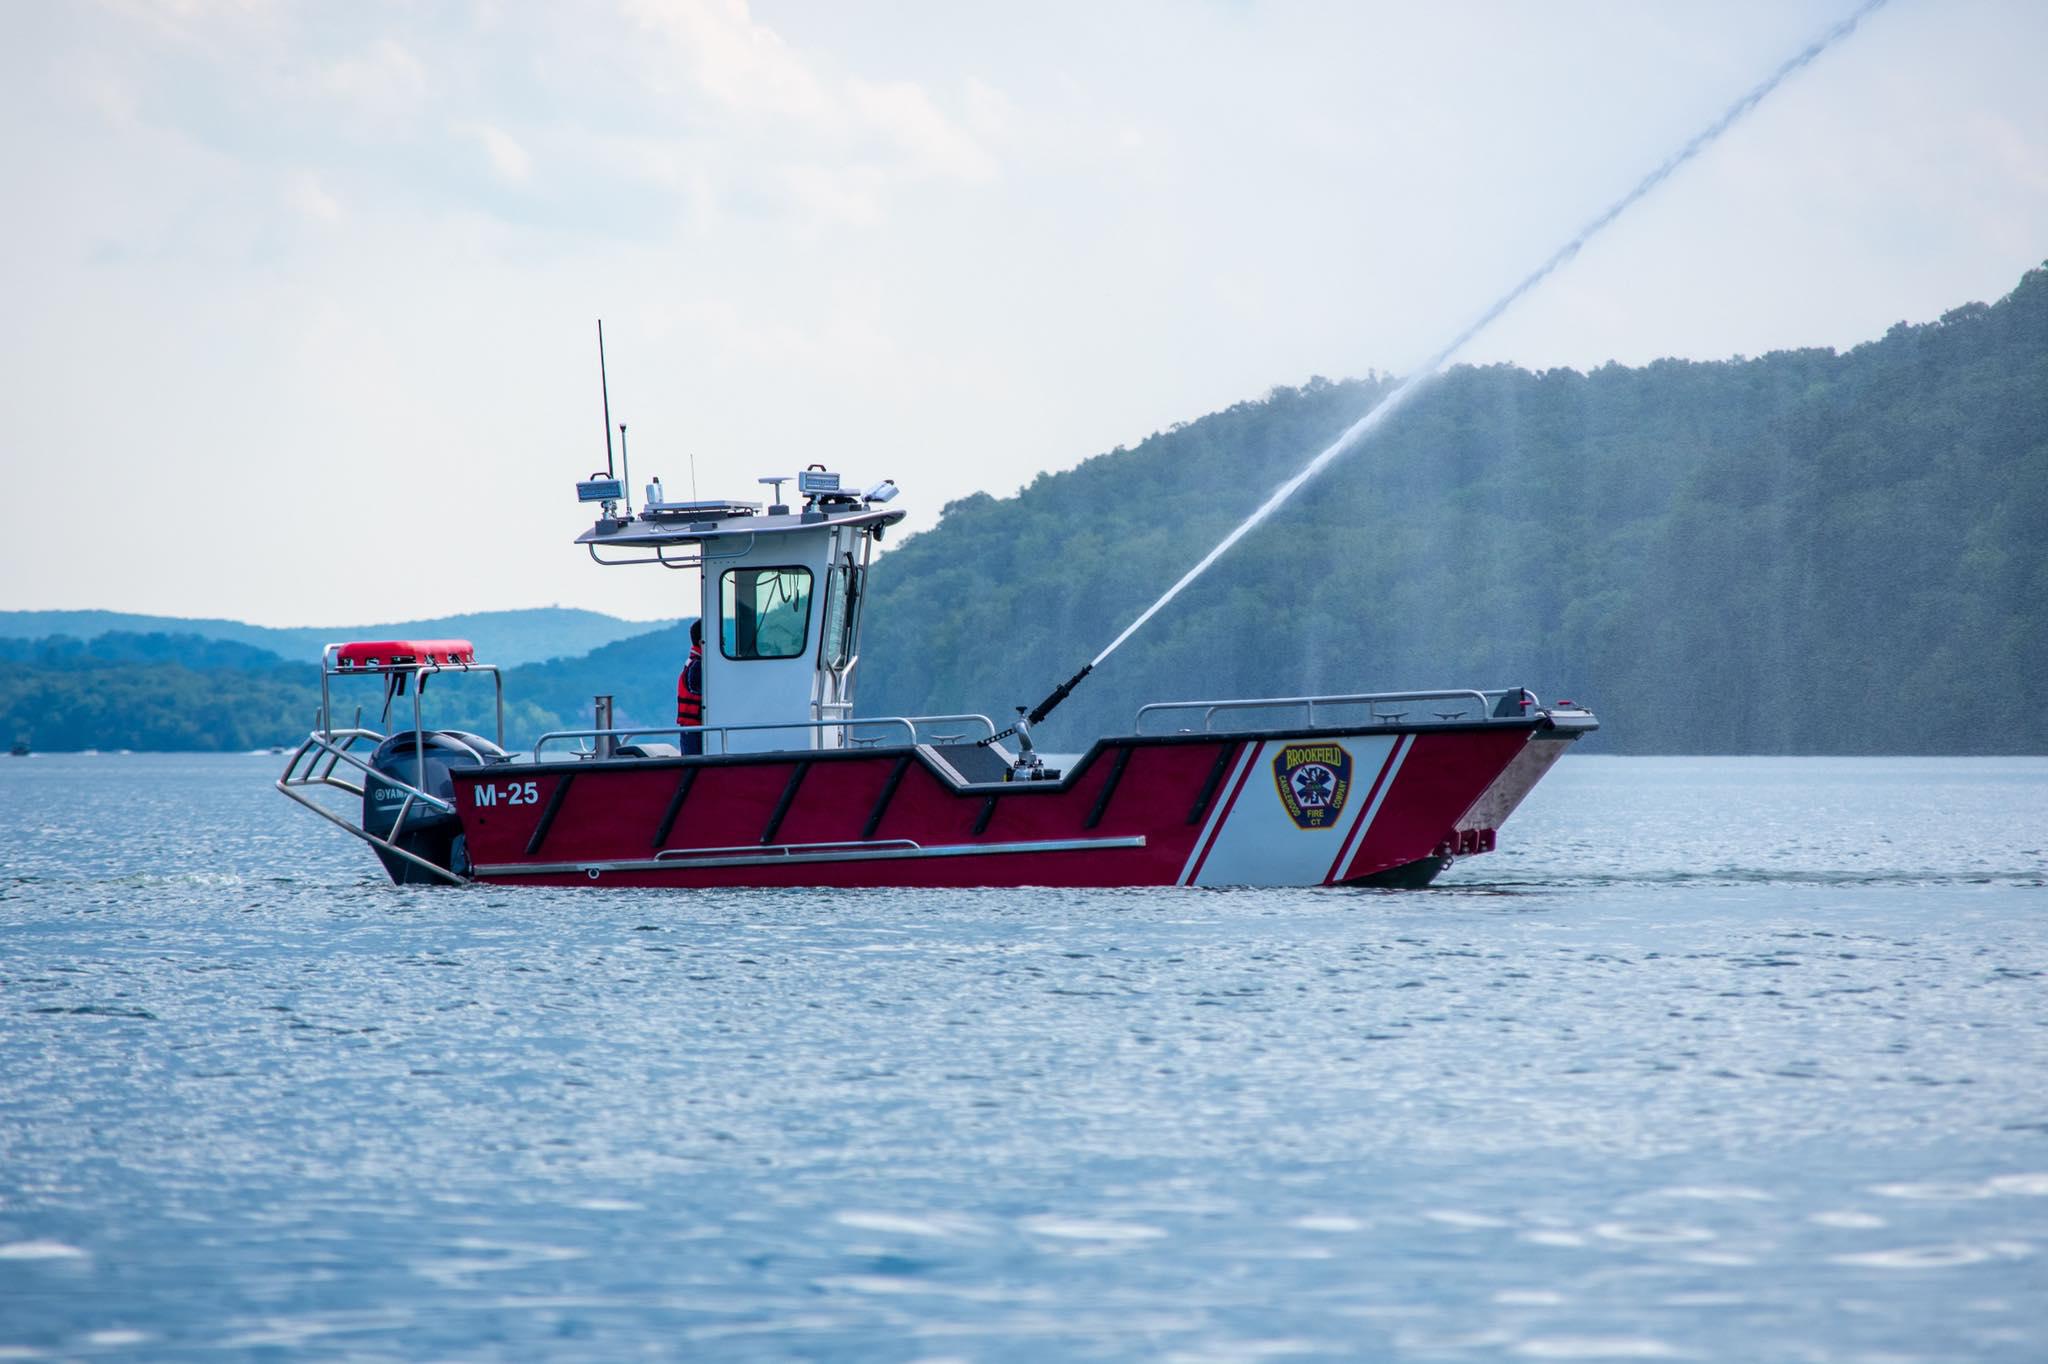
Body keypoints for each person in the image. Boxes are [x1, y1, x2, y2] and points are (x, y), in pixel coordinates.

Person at [676, 620, 704, 755]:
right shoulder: (697, 666)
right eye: (720, 640)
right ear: (702, 642)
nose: (722, 643)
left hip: (693, 731)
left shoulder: (695, 663)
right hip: (694, 733)